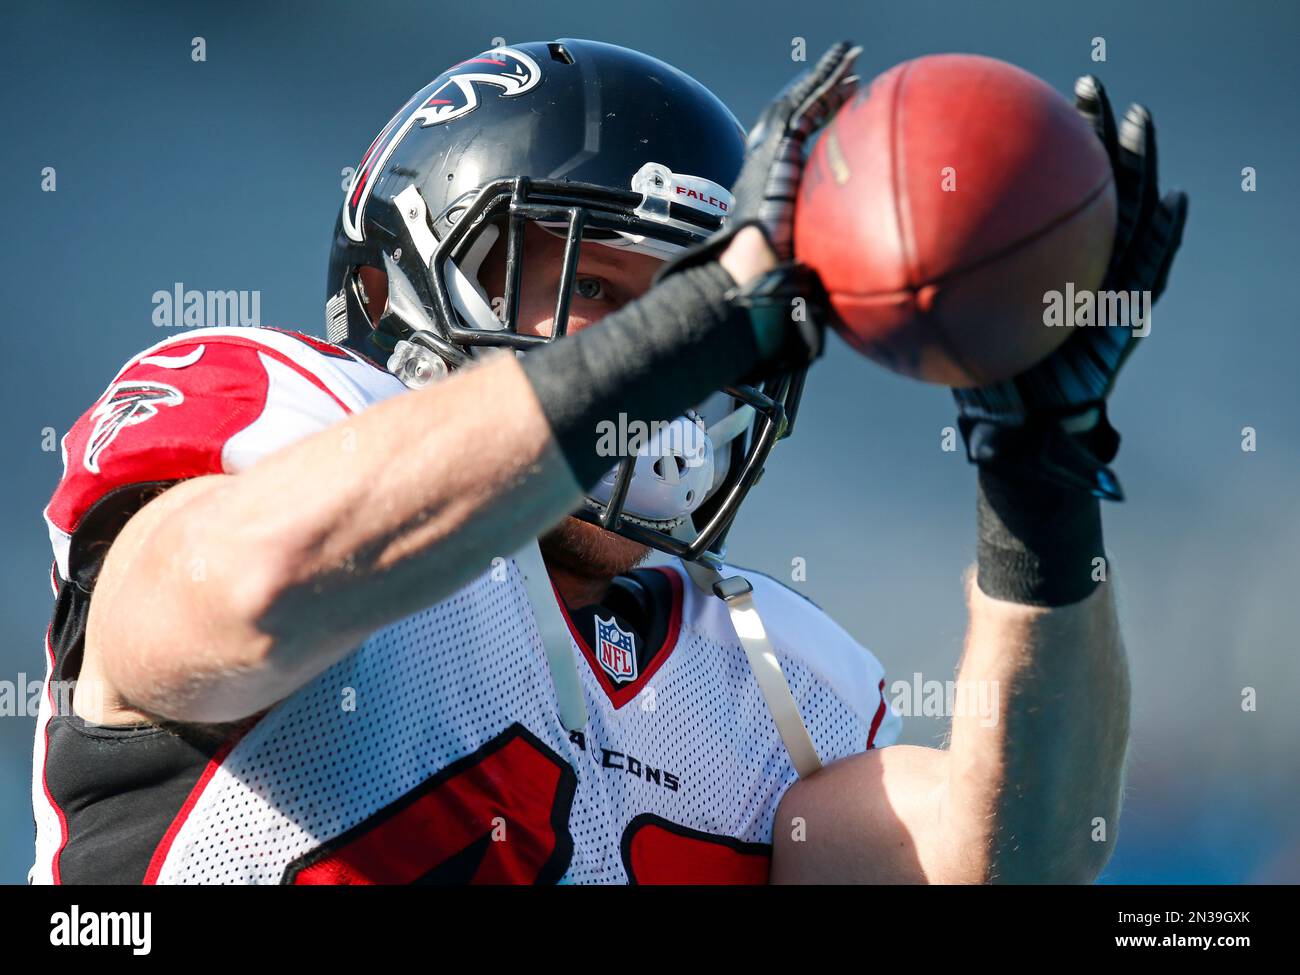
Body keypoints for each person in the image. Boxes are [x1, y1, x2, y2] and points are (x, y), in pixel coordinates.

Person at [31, 38, 1185, 884]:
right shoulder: (273, 423)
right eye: (591, 287)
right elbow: (250, 589)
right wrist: (700, 316)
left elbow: (1021, 856)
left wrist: (1043, 479)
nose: (672, 353)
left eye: (685, 300)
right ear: (396, 291)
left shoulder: (761, 677)